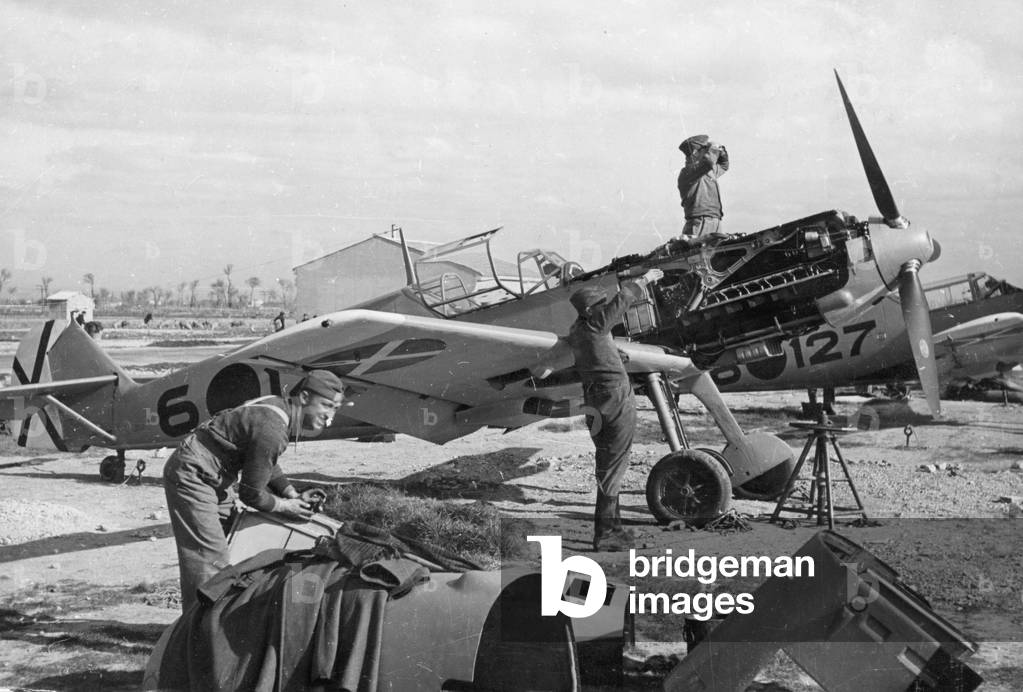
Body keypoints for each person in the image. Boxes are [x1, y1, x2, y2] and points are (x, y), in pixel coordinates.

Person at [162, 369, 344, 612]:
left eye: (335, 409)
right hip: (194, 475)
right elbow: (251, 494)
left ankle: (212, 620)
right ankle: (195, 636)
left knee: (233, 539)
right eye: (326, 405)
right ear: (304, 397)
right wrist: (286, 506)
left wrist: (290, 493)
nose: (330, 416)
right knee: (209, 559)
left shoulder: (277, 409)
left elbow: (263, 459)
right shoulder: (273, 428)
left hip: (213, 475)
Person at [567, 269, 664, 551]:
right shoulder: (597, 324)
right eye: (599, 305)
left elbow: (594, 353)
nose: (603, 308)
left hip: (594, 400)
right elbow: (622, 301)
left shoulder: (578, 332)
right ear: (591, 310)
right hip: (615, 397)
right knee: (613, 467)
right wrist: (646, 279)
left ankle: (614, 529)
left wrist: (614, 356)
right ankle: (606, 535)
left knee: (609, 464)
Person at [677, 134, 729, 239]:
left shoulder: (706, 171)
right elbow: (709, 162)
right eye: (704, 149)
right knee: (700, 254)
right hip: (700, 222)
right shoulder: (688, 172)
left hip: (714, 220)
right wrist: (714, 148)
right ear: (695, 153)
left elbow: (724, 165)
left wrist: (722, 151)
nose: (706, 151)